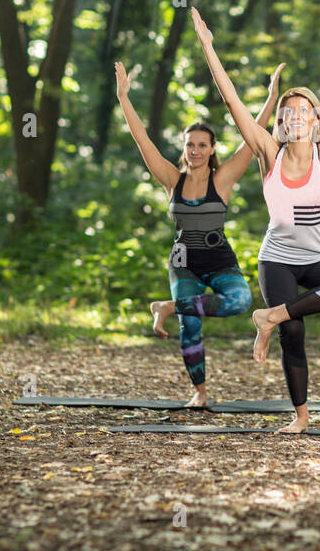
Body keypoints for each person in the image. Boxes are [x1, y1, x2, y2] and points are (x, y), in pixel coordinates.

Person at [191, 1, 320, 433]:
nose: (295, 117)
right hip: (277, 258)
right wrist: (208, 46)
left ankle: (271, 317)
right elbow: (232, 101)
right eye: (288, 112)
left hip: (319, 258)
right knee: (295, 333)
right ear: (281, 121)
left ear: (317, 119)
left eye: (304, 111)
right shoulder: (268, 152)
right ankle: (301, 417)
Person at [115, 59, 282, 408]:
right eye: (190, 145)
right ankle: (200, 393)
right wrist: (123, 97)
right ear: (184, 148)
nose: (195, 151)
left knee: (241, 301)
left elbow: (253, 138)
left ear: (212, 149)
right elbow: (142, 140)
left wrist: (271, 97)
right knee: (189, 326)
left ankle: (167, 307)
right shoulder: (171, 179)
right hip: (183, 263)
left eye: (202, 145)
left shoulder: (222, 180)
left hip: (219, 260)